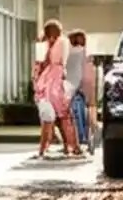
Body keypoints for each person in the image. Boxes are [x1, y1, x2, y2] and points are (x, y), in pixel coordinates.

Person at [34, 19, 80, 157]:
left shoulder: (60, 43)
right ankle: (70, 145)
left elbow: (58, 61)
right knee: (61, 116)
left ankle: (68, 145)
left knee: (62, 116)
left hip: (54, 80)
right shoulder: (50, 43)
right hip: (51, 80)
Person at [66, 29, 96, 155]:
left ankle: (79, 139)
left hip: (74, 85)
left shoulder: (69, 53)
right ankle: (88, 138)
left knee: (74, 114)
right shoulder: (84, 53)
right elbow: (87, 71)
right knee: (88, 112)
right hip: (85, 85)